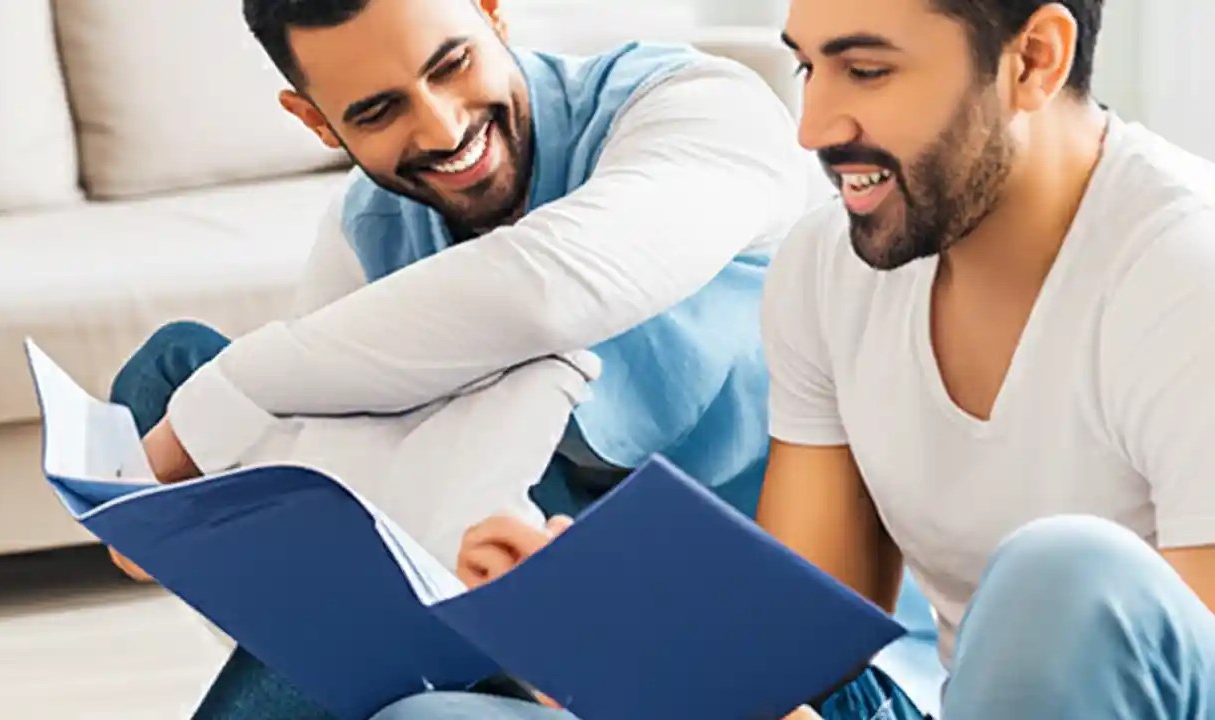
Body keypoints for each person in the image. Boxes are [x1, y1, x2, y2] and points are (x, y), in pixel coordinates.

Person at [373, 0, 1215, 718]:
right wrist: (596, 626)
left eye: (868, 71)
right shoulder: (828, 264)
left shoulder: (1185, 275)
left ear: (1033, 59)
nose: (814, 128)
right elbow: (796, 650)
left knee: (1065, 574)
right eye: (809, 68)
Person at [105, 0, 919, 717]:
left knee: (220, 410)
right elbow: (332, 485)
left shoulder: (700, 109)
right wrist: (169, 509)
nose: (442, 128)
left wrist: (217, 405)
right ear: (318, 123)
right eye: (380, 110)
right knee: (172, 370)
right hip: (527, 585)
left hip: (773, 631)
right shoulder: (368, 229)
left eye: (451, 65)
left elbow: (551, 289)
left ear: (492, 10)